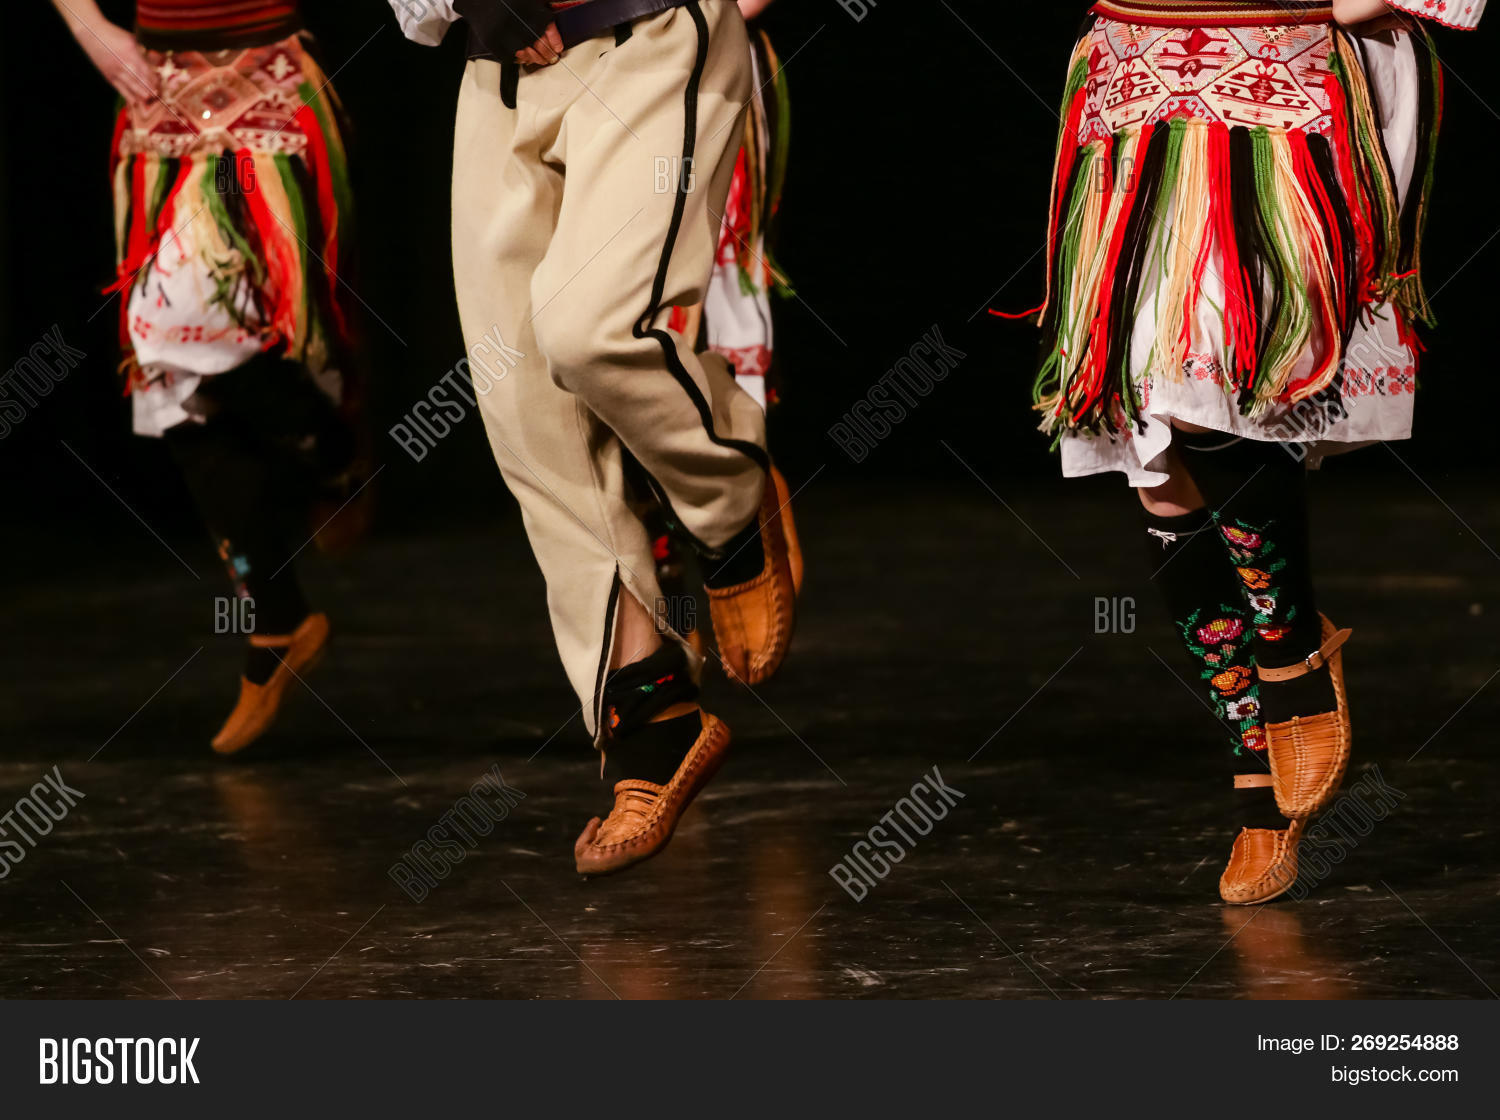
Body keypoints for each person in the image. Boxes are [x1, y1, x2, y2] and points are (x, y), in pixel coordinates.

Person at [1011, 0, 1482, 903]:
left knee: (1216, 391)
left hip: (1276, 87)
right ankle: (1254, 765)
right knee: (1148, 445)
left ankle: (1287, 646)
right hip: (1136, 84)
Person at [389, 0, 800, 877]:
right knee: (524, 411)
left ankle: (731, 503)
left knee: (594, 330)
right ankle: (650, 717)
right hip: (496, 71)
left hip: (644, 35)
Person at [52, 0, 366, 756]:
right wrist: (90, 27)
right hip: (158, 90)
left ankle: (332, 451)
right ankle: (277, 615)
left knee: (186, 330)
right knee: (171, 371)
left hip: (265, 82)